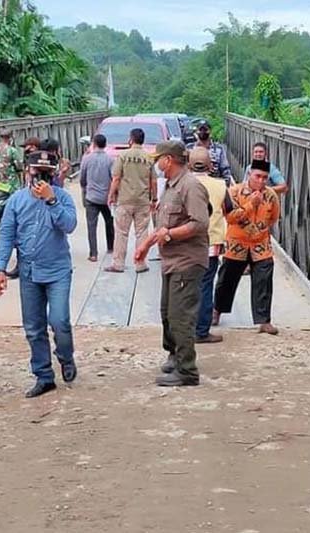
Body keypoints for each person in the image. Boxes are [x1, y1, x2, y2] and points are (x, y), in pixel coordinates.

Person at [0, 150, 78, 398]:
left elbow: (70, 225)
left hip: (57, 270)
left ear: (53, 174)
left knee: (59, 321)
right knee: (33, 327)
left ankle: (65, 356)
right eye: (35, 172)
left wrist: (52, 201)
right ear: (26, 172)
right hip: (29, 272)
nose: (39, 177)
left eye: (45, 173)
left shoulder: (62, 197)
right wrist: (0, 269)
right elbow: (7, 235)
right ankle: (43, 375)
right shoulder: (16, 201)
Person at [135, 140, 209, 387]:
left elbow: (199, 223)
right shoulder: (170, 187)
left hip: (187, 261)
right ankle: (174, 355)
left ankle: (187, 370)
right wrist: (145, 246)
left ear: (169, 160)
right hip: (171, 261)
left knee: (180, 316)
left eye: (159, 159)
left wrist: (169, 234)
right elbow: (162, 225)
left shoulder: (190, 186)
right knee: (167, 312)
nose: (156, 164)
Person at [213, 160, 280, 335]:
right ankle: (216, 311)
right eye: (258, 176)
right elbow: (230, 217)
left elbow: (273, 217)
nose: (262, 181)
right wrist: (251, 205)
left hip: (261, 245)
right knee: (227, 280)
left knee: (264, 280)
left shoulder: (271, 195)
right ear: (250, 174)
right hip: (237, 244)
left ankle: (264, 320)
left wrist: (261, 229)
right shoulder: (234, 192)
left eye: (265, 178)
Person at [105, 128, 157, 274]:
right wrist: (154, 198)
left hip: (125, 200)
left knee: (121, 232)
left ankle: (118, 263)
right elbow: (153, 181)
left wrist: (111, 194)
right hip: (142, 200)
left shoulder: (123, 156)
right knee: (142, 232)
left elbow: (116, 178)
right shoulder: (149, 158)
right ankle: (140, 263)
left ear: (131, 139)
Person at [190, 147, 228, 344]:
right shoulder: (220, 185)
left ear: (189, 164)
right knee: (205, 285)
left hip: (186, 245)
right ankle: (202, 330)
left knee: (187, 286)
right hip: (211, 243)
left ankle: (185, 327)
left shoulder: (183, 184)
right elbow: (229, 209)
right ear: (211, 165)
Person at [79, 133, 115, 262]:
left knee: (91, 226)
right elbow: (114, 178)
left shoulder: (87, 159)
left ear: (93, 144)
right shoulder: (110, 160)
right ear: (105, 145)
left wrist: (84, 188)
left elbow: (82, 178)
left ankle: (93, 253)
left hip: (91, 197)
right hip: (106, 197)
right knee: (109, 222)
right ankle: (111, 247)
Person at [186, 120, 232, 186]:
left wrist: (224, 186)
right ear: (196, 132)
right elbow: (183, 166)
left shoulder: (218, 149)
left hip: (214, 185)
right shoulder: (189, 148)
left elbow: (225, 169)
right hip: (194, 185)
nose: (203, 132)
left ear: (210, 131)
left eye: (205, 130)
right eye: (200, 130)